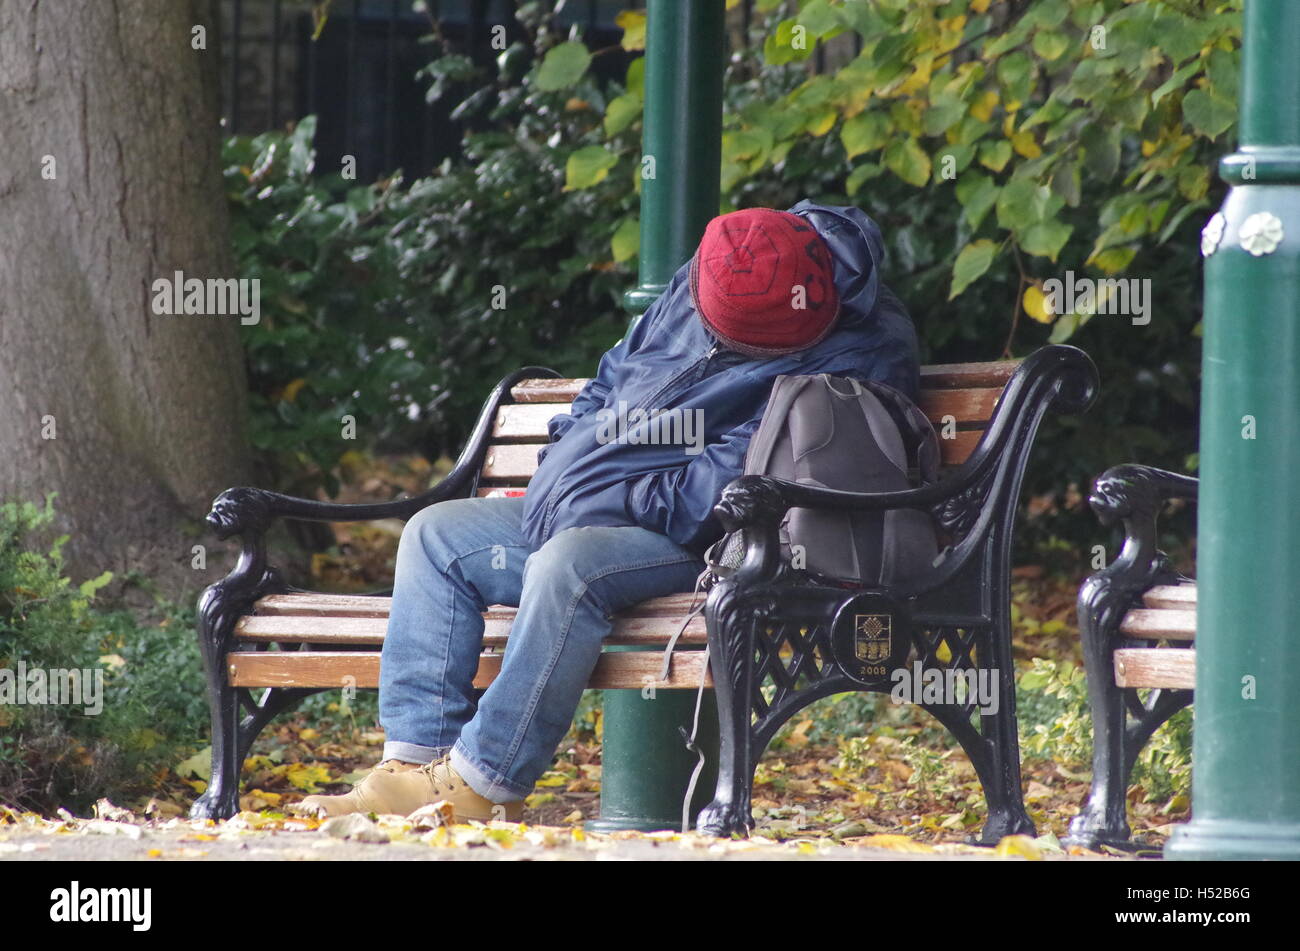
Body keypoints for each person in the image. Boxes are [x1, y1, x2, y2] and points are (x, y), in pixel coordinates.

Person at [296, 201, 919, 820]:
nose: (721, 343)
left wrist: (605, 498)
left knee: (569, 565)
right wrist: (567, 454)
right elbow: (613, 375)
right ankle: (414, 764)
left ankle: (482, 782)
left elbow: (735, 481)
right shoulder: (720, 266)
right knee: (435, 535)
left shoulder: (860, 351)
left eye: (744, 344)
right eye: (718, 328)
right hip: (586, 505)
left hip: (710, 541)